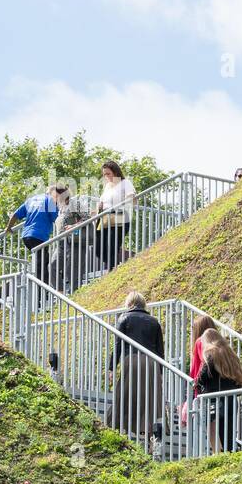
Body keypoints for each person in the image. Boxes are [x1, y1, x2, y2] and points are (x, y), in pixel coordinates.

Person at [109, 291, 165, 447]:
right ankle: (149, 438)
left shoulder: (124, 318)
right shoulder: (154, 322)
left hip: (131, 361)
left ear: (129, 303)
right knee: (149, 400)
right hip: (151, 363)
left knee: (126, 396)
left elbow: (118, 345)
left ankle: (121, 432)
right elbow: (160, 350)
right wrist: (160, 372)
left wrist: (112, 368)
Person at [6, 183, 68, 285]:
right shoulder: (50, 201)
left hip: (26, 236)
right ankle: (43, 290)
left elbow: (15, 214)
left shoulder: (31, 200)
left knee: (42, 261)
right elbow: (57, 219)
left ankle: (43, 287)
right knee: (43, 264)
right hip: (39, 236)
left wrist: (8, 228)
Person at [196, 328, 242, 454]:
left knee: (212, 428)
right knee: (228, 431)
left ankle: (218, 455)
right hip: (231, 398)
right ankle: (230, 455)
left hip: (215, 398)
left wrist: (197, 382)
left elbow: (203, 376)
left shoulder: (210, 353)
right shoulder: (231, 354)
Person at [94, 160, 135, 270]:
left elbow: (131, 196)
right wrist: (98, 207)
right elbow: (102, 201)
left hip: (119, 215)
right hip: (104, 217)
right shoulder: (107, 186)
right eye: (104, 174)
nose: (106, 176)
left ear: (115, 172)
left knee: (111, 246)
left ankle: (111, 269)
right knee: (99, 249)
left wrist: (125, 202)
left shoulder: (125, 183)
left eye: (108, 173)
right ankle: (112, 267)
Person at [48, 209, 95, 294]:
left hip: (76, 242)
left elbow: (87, 218)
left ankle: (74, 295)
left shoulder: (75, 205)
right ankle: (60, 292)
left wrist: (73, 226)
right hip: (62, 242)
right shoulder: (58, 209)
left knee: (72, 271)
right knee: (52, 266)